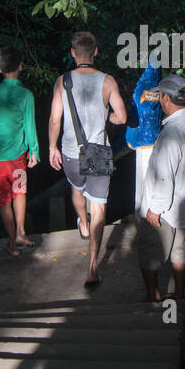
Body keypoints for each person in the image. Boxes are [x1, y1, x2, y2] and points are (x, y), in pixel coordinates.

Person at [48, 31, 126, 287]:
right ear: (95, 52)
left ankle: (82, 222)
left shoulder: (62, 81)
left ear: (73, 53)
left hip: (71, 151)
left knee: (76, 190)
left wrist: (52, 147)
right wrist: (108, 120)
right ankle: (92, 267)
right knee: (99, 208)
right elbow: (122, 117)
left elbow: (54, 120)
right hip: (98, 152)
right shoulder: (108, 81)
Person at [137, 74, 185, 308]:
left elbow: (164, 177)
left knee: (150, 253)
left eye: (161, 96)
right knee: (180, 253)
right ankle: (179, 295)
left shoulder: (170, 134)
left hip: (165, 210)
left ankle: (153, 297)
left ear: (166, 98)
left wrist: (154, 209)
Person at [0, 46, 40, 257]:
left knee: (3, 200)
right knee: (19, 192)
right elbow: (29, 125)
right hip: (17, 157)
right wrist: (34, 150)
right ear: (21, 67)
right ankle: (21, 232)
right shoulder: (26, 95)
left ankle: (13, 244)